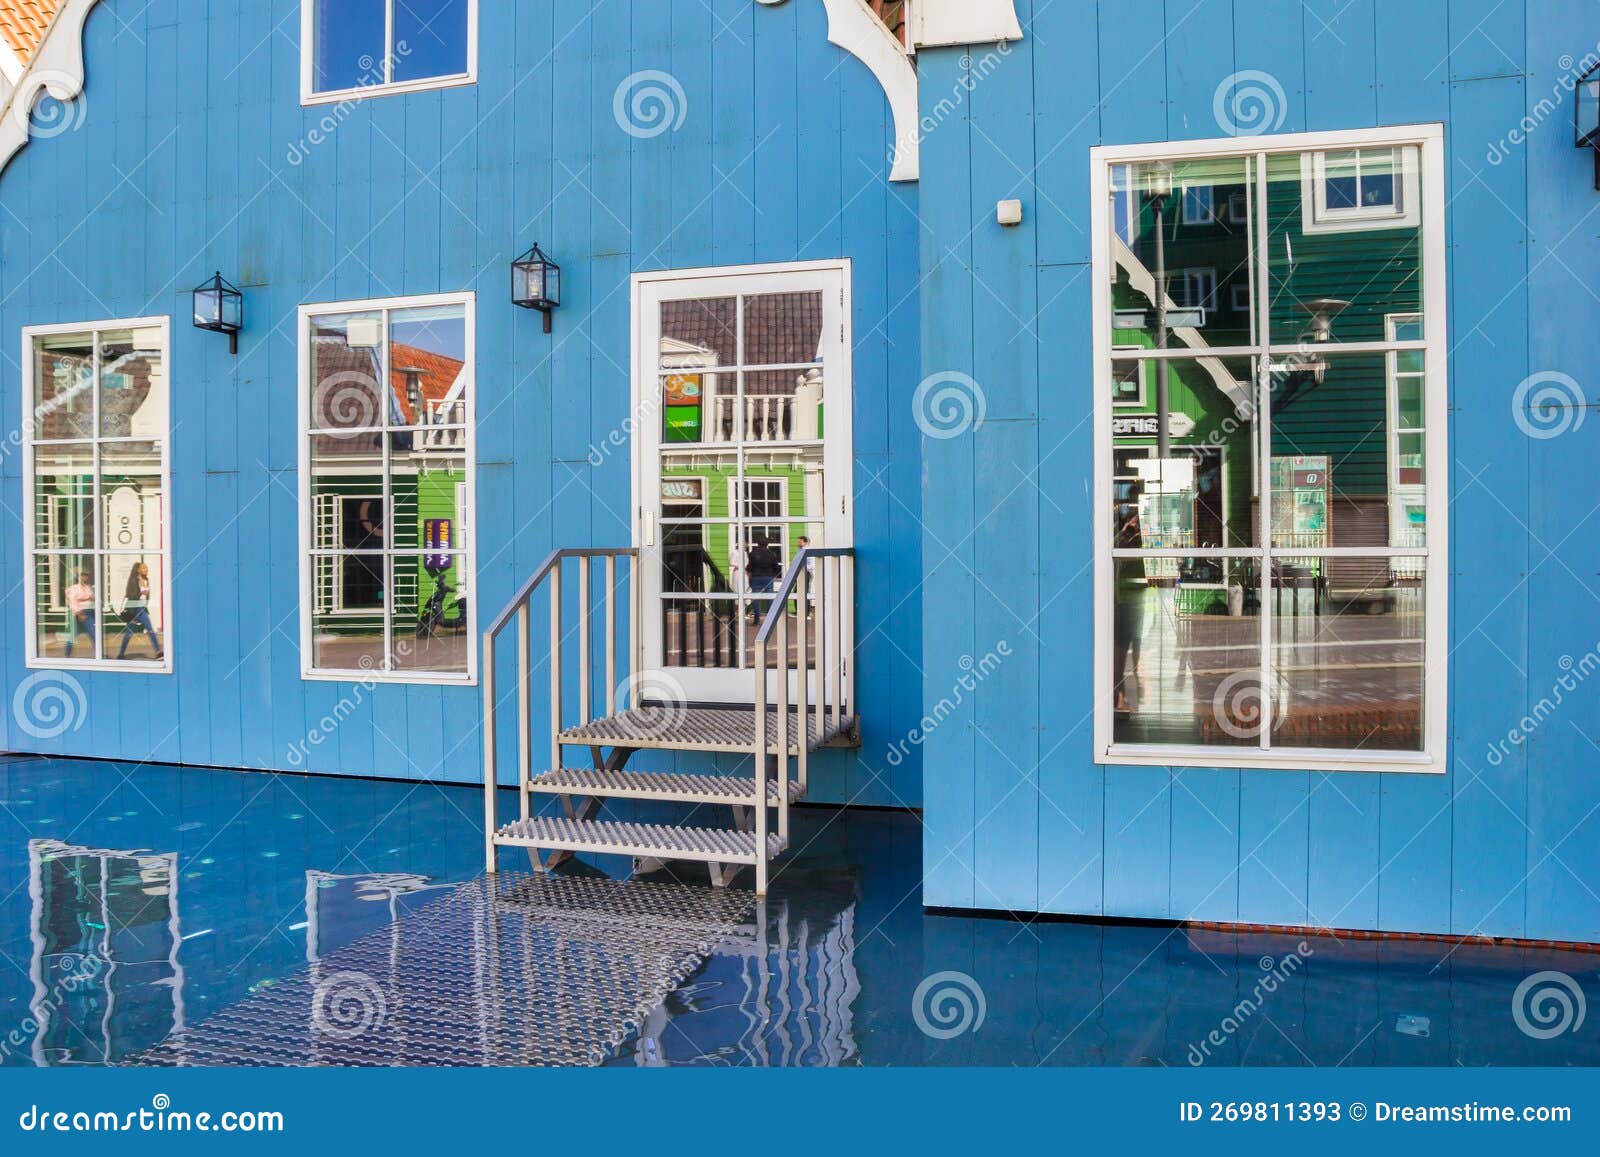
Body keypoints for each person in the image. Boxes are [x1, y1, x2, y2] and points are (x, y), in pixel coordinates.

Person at [1113, 505, 1145, 714]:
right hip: (1122, 603)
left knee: (1134, 650)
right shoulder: (1121, 540)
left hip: (1134, 602)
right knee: (1120, 653)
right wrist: (1124, 532)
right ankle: (1120, 698)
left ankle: (1126, 696)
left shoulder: (1140, 543)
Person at [116, 563, 163, 661]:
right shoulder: (134, 580)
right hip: (135, 609)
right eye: (144, 568)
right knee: (129, 633)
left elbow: (146, 595)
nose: (146, 569)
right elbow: (131, 595)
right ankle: (121, 654)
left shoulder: (146, 579)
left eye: (147, 567)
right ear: (138, 570)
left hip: (142, 608)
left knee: (150, 630)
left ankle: (158, 652)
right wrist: (132, 613)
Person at [745, 535, 782, 622]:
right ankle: (769, 619)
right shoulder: (772, 554)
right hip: (768, 577)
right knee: (770, 596)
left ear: (758, 544)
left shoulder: (752, 553)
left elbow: (749, 567)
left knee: (755, 597)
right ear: (767, 544)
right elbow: (776, 567)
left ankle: (757, 618)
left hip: (756, 577)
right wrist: (774, 574)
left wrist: (749, 573)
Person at [64, 571, 95, 657]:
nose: (85, 578)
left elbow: (93, 598)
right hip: (80, 613)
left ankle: (100, 655)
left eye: (86, 576)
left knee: (93, 633)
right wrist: (79, 614)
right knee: (74, 635)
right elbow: (72, 601)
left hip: (89, 611)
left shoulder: (88, 587)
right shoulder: (74, 588)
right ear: (78, 577)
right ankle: (67, 654)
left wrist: (87, 598)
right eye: (83, 576)